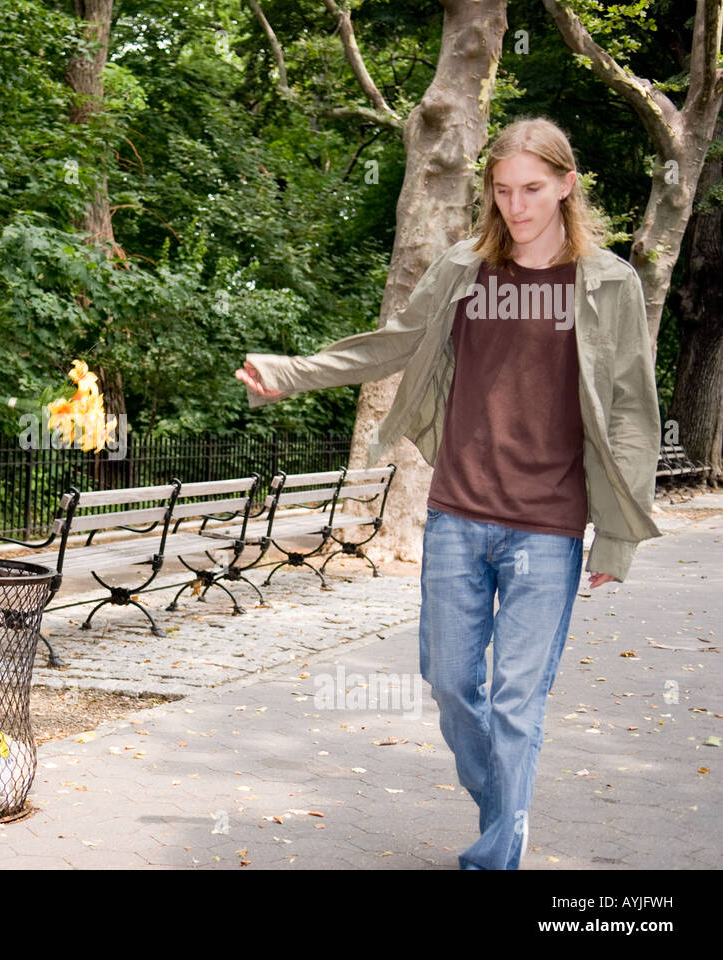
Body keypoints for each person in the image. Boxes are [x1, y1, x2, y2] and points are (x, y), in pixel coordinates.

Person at [235, 117, 662, 870]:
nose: (517, 206)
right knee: (452, 684)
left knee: (515, 703)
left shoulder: (609, 284)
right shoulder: (466, 269)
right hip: (459, 513)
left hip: (548, 525)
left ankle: (497, 856)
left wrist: (621, 534)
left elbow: (629, 407)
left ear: (567, 184)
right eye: (502, 191)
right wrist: (292, 372)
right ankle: (506, 814)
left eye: (533, 189)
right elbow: (393, 343)